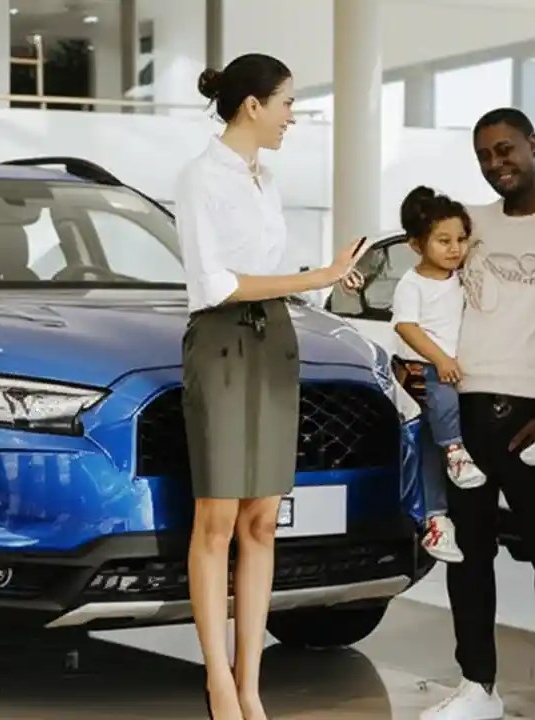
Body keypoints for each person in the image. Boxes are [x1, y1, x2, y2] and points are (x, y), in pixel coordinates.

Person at [175, 53, 365, 720]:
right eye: (287, 102)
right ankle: (217, 681)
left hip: (276, 339)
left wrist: (322, 279)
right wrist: (316, 277)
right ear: (252, 105)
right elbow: (216, 284)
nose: (292, 115)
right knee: (216, 519)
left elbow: (264, 270)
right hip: (222, 340)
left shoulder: (268, 179)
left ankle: (251, 684)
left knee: (261, 520)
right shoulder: (200, 178)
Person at [405, 108, 535, 720]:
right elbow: (425, 289)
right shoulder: (469, 226)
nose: (496, 164)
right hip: (463, 411)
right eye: (485, 156)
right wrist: (419, 362)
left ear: (534, 145)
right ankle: (476, 688)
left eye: (506, 150)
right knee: (469, 554)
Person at [390, 186, 485, 563]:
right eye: (443, 240)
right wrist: (442, 359)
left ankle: (436, 523)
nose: (455, 248)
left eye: (461, 239)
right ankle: (456, 451)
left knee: (428, 453)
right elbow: (406, 327)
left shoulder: (458, 278)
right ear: (416, 245)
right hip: (422, 370)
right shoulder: (412, 284)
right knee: (441, 408)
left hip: (442, 369)